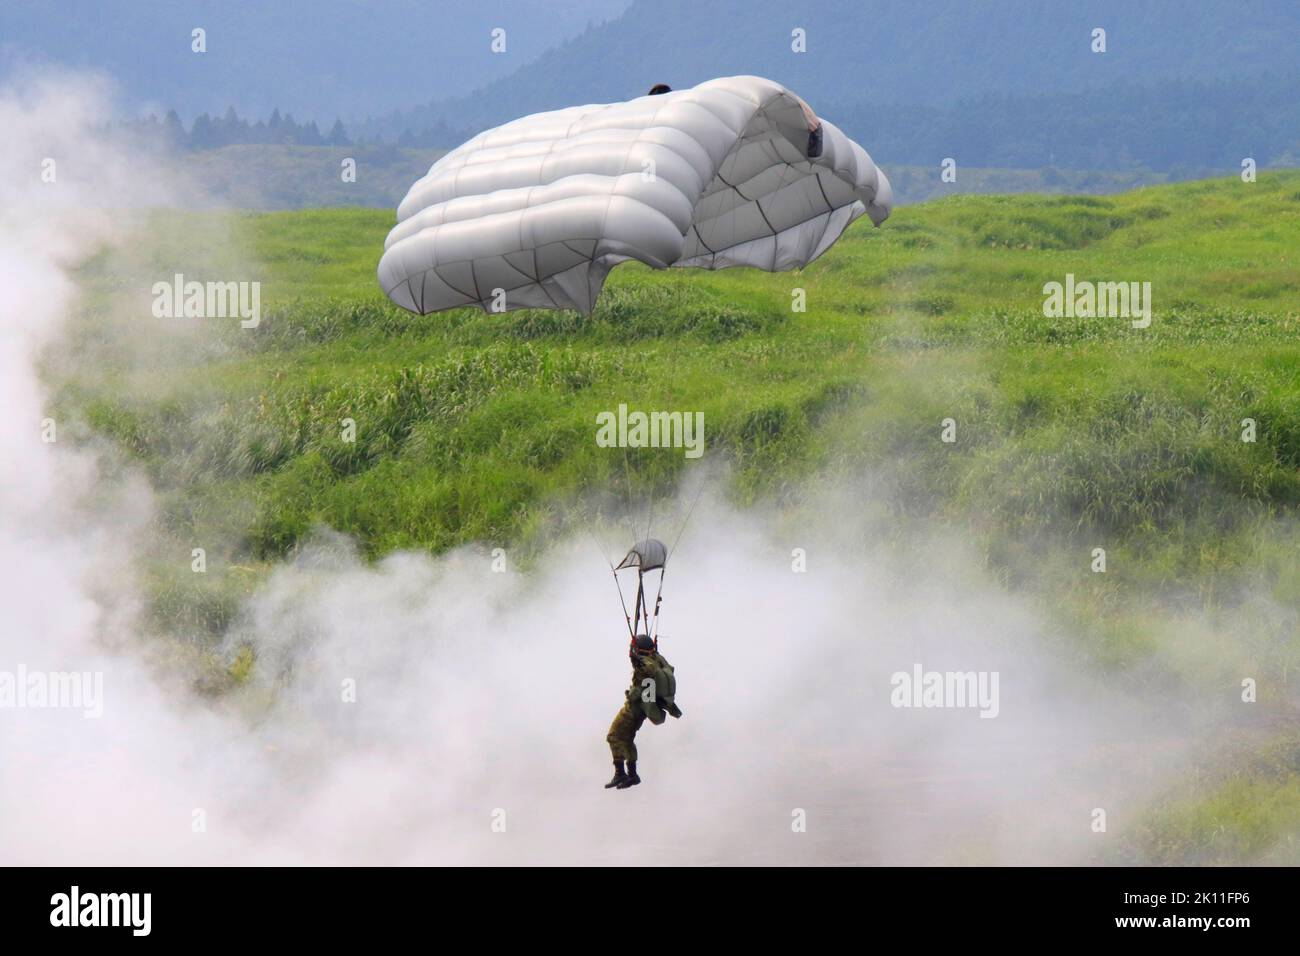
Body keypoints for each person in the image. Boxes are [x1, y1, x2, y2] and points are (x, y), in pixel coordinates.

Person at [604, 633, 682, 789]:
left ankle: (620, 773)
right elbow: (664, 666)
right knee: (626, 739)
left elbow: (644, 677)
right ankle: (632, 775)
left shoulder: (644, 666)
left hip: (633, 709)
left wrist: (635, 658)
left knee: (613, 736)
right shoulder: (658, 660)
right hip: (643, 711)